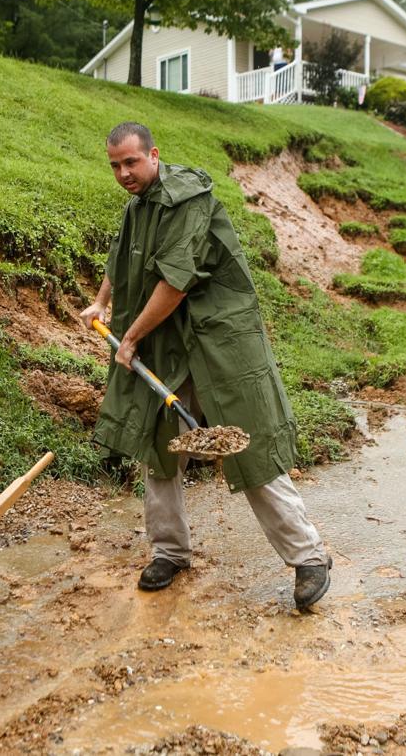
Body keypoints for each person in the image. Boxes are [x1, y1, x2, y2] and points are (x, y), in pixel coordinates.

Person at [80, 122, 331, 610]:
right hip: (168, 345)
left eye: (131, 162)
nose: (123, 173)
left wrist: (129, 338)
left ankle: (309, 558)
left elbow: (174, 283)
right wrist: (99, 302)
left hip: (219, 345)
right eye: (115, 165)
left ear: (154, 154)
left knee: (247, 444)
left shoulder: (187, 200)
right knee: (159, 447)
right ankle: (170, 552)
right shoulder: (138, 207)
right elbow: (122, 259)